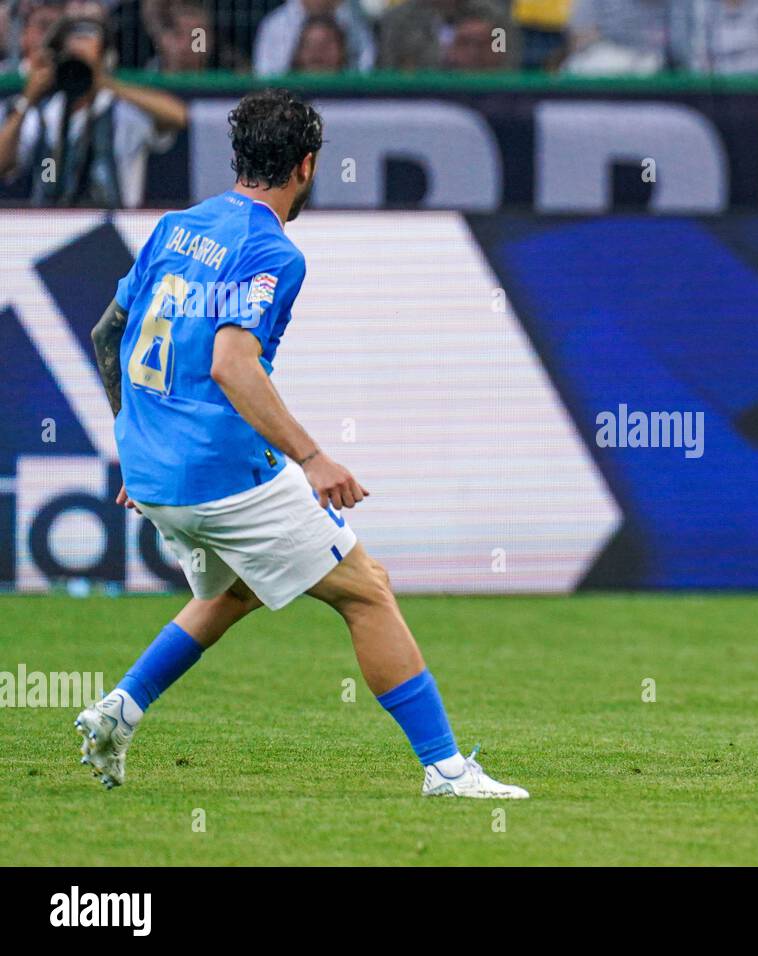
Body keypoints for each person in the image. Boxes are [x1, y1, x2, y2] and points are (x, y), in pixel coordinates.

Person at [79, 88, 529, 800]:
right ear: (308, 166)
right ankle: (446, 771)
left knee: (236, 592)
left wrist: (137, 444)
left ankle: (118, 710)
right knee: (367, 592)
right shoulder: (271, 250)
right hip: (221, 474)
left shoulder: (175, 227)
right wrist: (314, 458)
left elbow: (109, 334)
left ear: (238, 158)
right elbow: (232, 362)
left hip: (157, 473)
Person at [0, 10, 186, 207]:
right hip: (51, 228)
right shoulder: (45, 114)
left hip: (115, 229)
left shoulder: (121, 112)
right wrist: (28, 99)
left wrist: (103, 81)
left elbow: (179, 116)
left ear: (106, 59)